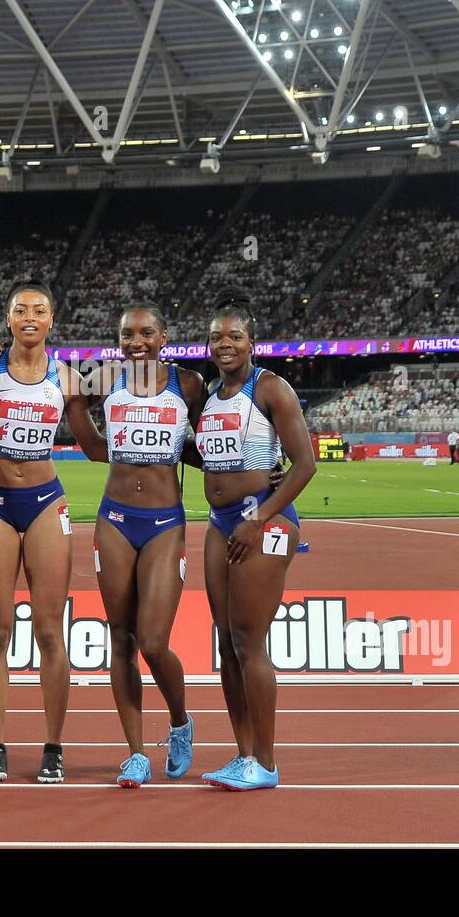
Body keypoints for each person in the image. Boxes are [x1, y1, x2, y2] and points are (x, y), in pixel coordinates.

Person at [0, 280, 104, 784]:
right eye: (21, 309)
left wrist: (165, 445)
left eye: (39, 309)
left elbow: (93, 444)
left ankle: (53, 747)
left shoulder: (68, 378)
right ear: (8, 318)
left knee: (48, 630)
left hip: (45, 502)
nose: (30, 317)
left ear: (51, 319)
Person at [194, 293, 316, 791]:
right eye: (217, 336)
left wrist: (258, 516)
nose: (225, 344)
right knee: (226, 642)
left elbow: (305, 464)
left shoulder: (271, 389)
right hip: (219, 521)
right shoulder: (207, 396)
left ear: (252, 341)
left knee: (248, 640)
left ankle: (265, 761)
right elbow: (209, 458)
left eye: (234, 336)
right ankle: (243, 754)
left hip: (262, 523)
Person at [82, 303, 206, 787]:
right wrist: (95, 439)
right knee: (122, 640)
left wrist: (252, 475)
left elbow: (209, 444)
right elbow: (77, 417)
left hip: (164, 523)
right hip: (113, 519)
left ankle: (180, 721)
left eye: (146, 333)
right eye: (127, 333)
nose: (136, 341)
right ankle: (134, 752)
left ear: (164, 337)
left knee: (153, 641)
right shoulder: (102, 378)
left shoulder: (189, 384)